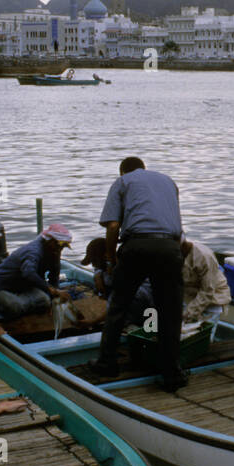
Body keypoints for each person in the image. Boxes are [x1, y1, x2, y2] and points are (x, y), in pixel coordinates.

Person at [90, 157, 186, 392]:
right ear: (143, 167)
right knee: (170, 312)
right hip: (171, 247)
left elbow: (112, 226)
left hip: (137, 245)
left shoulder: (123, 181)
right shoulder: (168, 181)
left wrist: (111, 258)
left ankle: (107, 364)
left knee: (118, 306)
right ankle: (171, 374)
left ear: (123, 171)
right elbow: (177, 226)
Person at [0, 224, 73, 319]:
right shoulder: (33, 251)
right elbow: (28, 273)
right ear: (49, 241)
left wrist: (54, 299)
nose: (60, 249)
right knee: (14, 306)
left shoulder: (54, 252)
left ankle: (18, 309)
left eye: (63, 247)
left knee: (45, 301)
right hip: (1, 288)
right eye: (59, 245)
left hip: (23, 288)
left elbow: (54, 277)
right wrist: (51, 290)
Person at [83, 237, 153, 328]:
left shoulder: (122, 272)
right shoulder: (107, 266)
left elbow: (113, 307)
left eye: (94, 261)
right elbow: (98, 268)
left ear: (106, 257)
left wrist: (92, 322)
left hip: (145, 303)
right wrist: (98, 275)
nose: (92, 265)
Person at [180, 237, 231, 327]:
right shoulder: (172, 254)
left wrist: (189, 313)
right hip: (189, 297)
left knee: (203, 334)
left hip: (213, 300)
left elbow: (207, 291)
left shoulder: (203, 255)